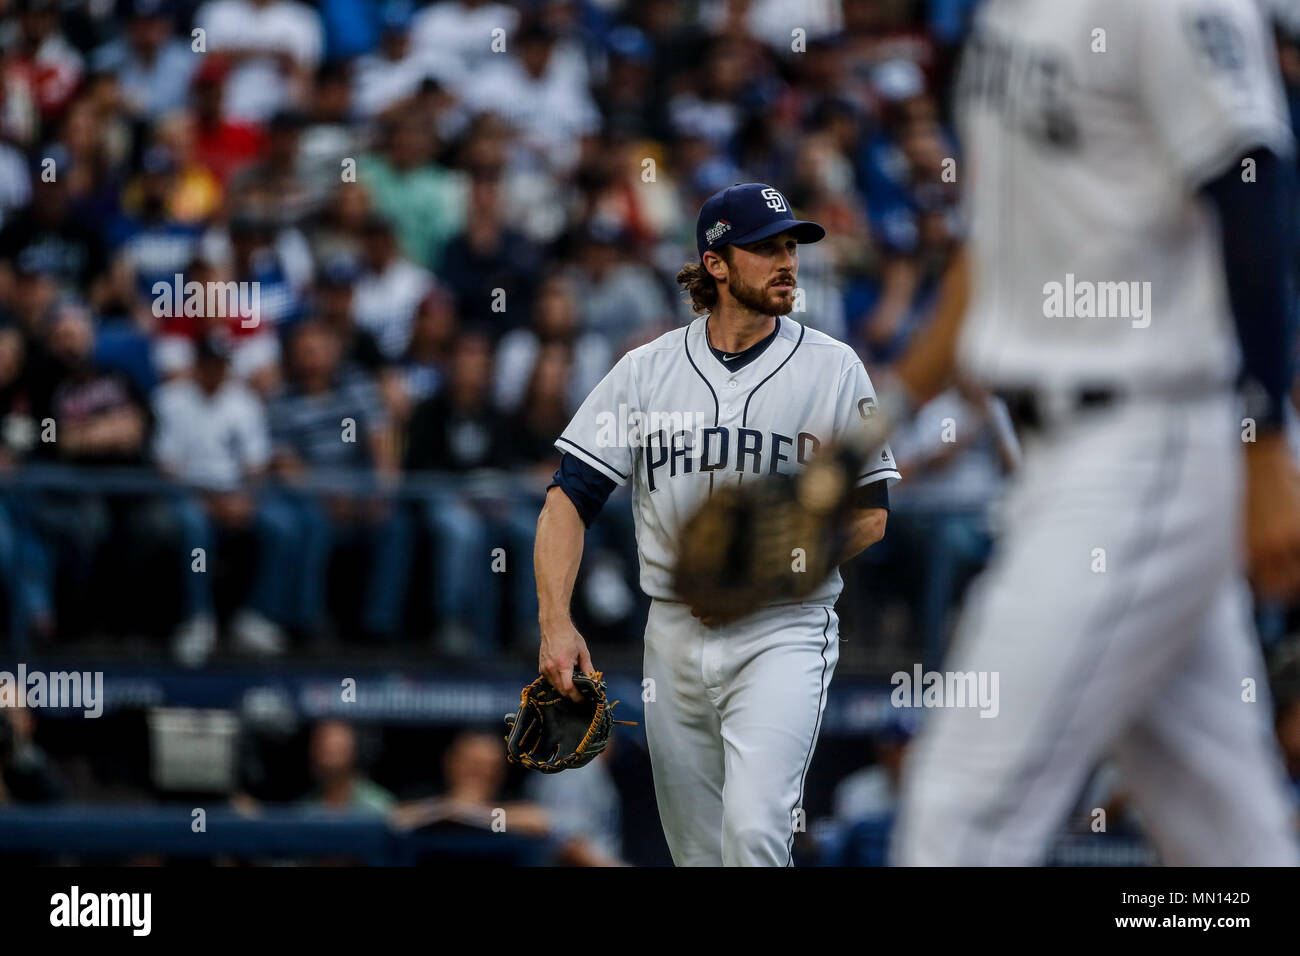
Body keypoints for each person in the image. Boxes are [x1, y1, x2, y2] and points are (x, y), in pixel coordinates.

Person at [882, 0, 1300, 865]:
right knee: (1231, 835)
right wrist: (870, 423)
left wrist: (1265, 445)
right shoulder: (1006, 15)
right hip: (1056, 452)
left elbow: (1254, 193)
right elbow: (992, 254)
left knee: (961, 815)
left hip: (1147, 439)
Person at [533, 183, 899, 866]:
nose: (787, 260)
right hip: (672, 630)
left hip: (783, 627)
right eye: (766, 248)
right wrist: (556, 623)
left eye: (791, 245)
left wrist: (779, 558)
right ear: (716, 264)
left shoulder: (833, 367)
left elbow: (871, 514)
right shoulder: (645, 371)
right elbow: (567, 499)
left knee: (757, 829)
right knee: (700, 854)